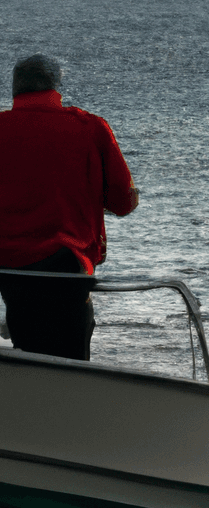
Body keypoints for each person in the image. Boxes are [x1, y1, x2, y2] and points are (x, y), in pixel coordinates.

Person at [0, 54, 138, 360]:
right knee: (70, 360)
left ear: (14, 88)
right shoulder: (89, 128)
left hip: (8, 269)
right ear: (56, 86)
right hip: (64, 263)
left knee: (26, 345)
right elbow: (123, 202)